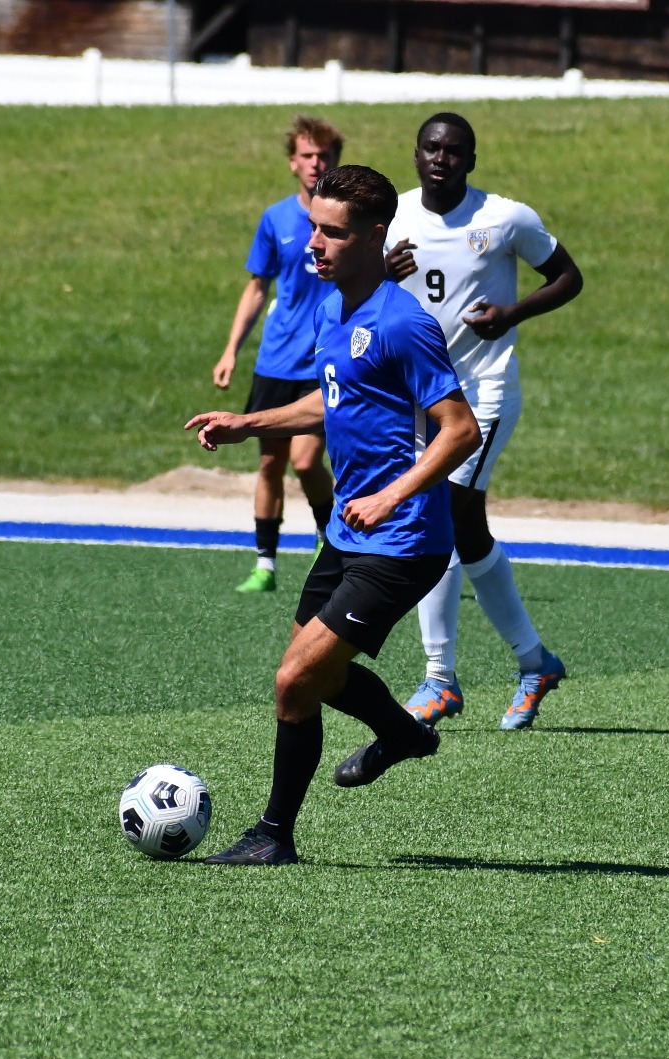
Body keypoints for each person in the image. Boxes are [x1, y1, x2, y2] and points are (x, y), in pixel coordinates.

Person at [185, 164, 481, 866]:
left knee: (294, 681)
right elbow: (331, 400)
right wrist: (249, 422)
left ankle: (274, 835)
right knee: (311, 677)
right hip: (349, 534)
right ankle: (404, 734)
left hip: (401, 541)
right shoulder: (329, 306)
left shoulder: (404, 321)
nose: (313, 242)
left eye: (332, 232)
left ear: (376, 237)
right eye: (313, 226)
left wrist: (391, 494)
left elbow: (460, 429)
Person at [383, 112, 585, 731]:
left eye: (455, 151)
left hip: (484, 393)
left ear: (471, 160)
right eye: (431, 148)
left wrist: (513, 313)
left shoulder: (504, 218)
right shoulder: (393, 219)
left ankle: (439, 680)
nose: (441, 159)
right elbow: (351, 292)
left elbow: (569, 277)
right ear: (416, 155)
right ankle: (535, 662)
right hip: (421, 396)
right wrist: (380, 281)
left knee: (437, 516)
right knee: (469, 535)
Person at [211, 115, 345, 593]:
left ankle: (329, 535)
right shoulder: (276, 219)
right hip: (275, 360)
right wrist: (231, 350)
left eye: (325, 155)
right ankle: (264, 563)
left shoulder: (347, 221)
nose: (316, 163)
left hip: (322, 361)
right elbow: (256, 288)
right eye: (308, 155)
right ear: (293, 163)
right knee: (270, 462)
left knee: (307, 462)